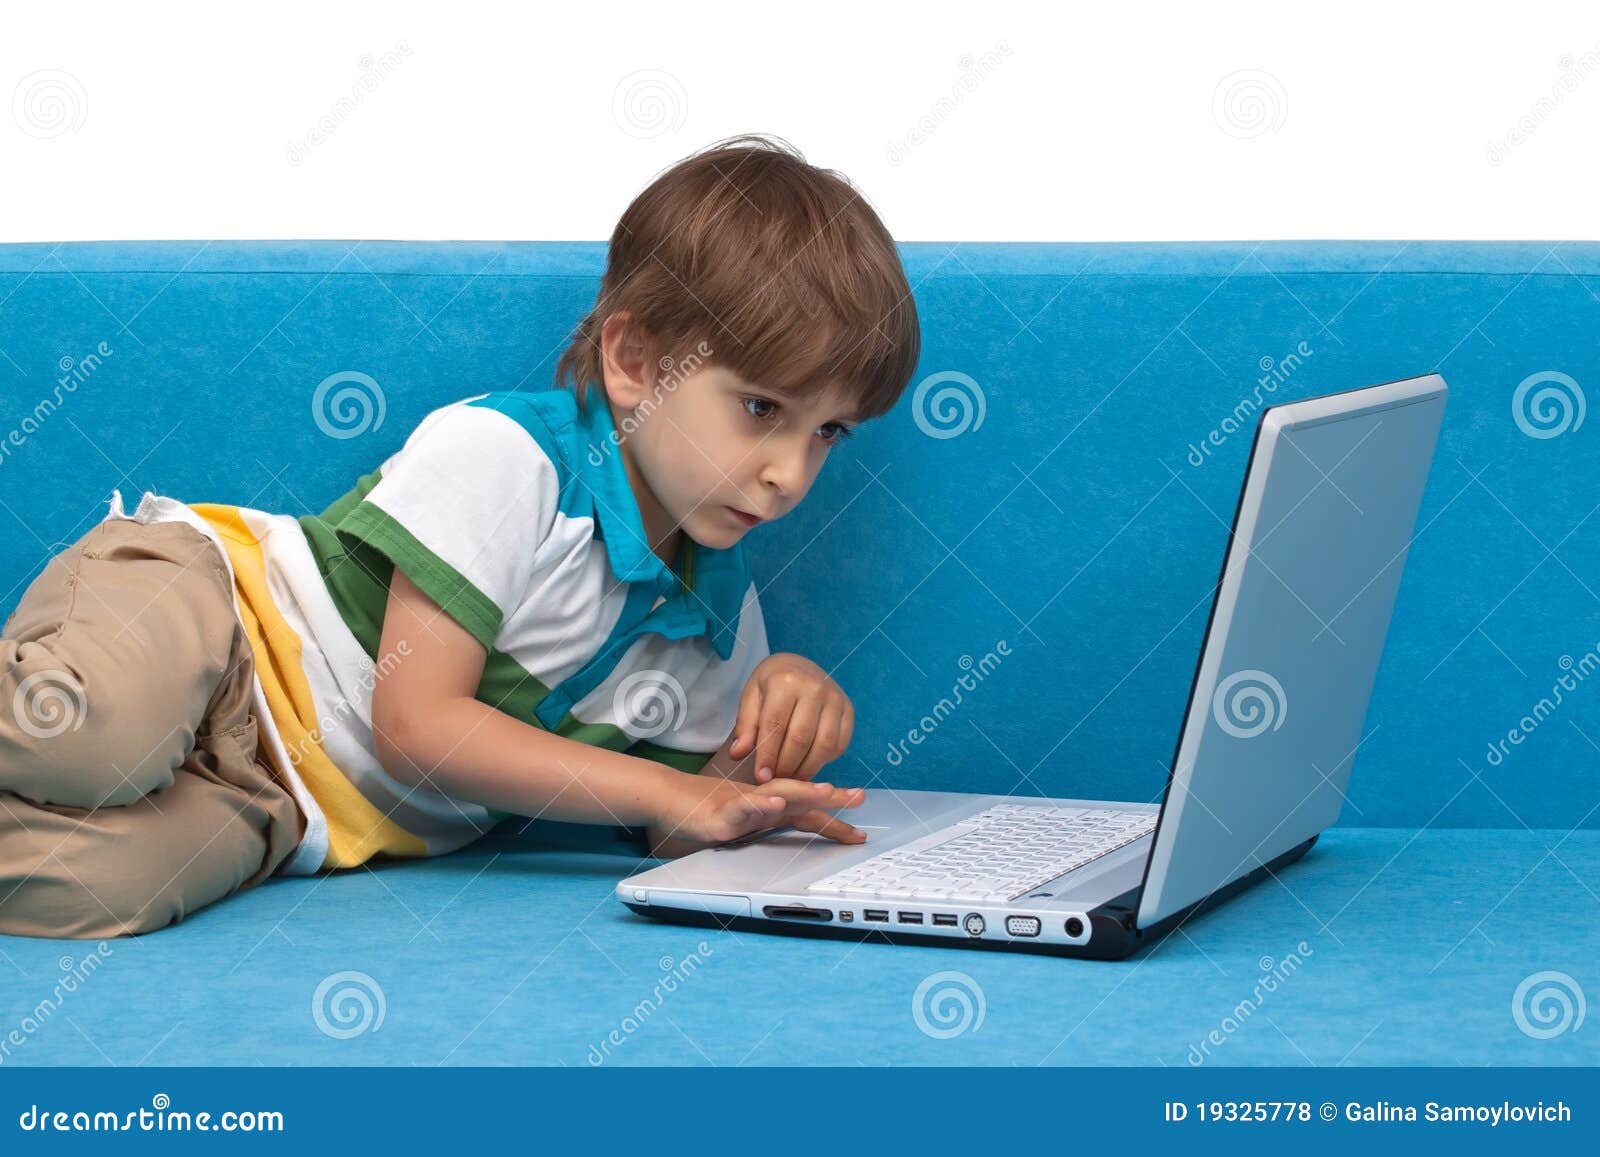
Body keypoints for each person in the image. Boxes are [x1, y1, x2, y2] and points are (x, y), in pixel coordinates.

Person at [0, 133, 922, 939]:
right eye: (762, 408)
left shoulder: (718, 613)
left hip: (286, 799)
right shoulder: (510, 458)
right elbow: (417, 724)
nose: (791, 471)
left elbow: (679, 830)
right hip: (220, 621)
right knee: (82, 735)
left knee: (91, 889)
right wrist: (674, 792)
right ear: (636, 361)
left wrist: (750, 762)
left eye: (827, 431)